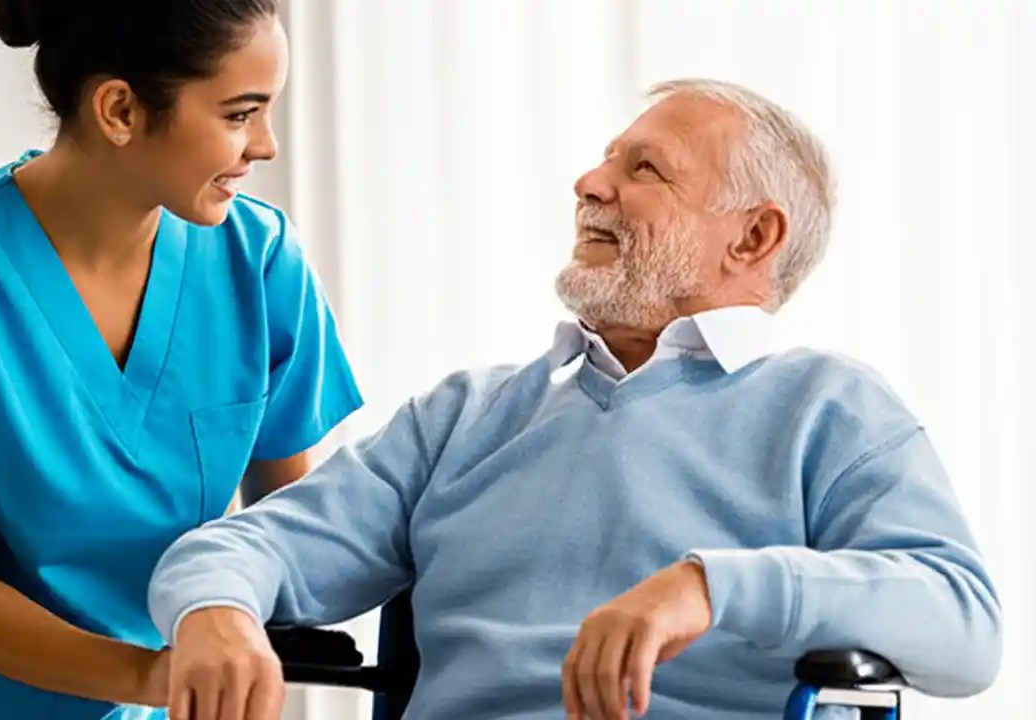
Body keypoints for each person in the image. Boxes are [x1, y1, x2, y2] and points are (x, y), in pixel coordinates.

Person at [147, 79, 1002, 720]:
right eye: (605, 159)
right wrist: (215, 610)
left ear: (753, 236)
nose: (589, 183)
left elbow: (963, 626)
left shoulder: (829, 406)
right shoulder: (464, 416)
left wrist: (710, 587)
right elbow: (240, 549)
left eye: (644, 170)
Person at [0, 1, 362, 718]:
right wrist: (161, 676)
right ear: (119, 110)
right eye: (239, 115)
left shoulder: (261, 262)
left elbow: (287, 527)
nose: (265, 144)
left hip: (124, 698)